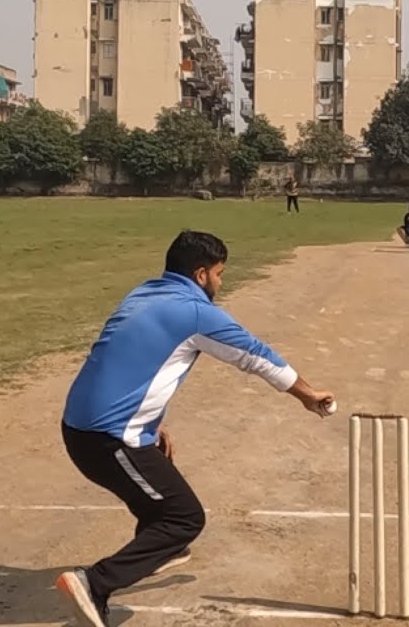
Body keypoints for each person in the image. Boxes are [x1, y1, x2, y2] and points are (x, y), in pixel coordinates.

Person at [55, 230, 336, 627]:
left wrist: (152, 425)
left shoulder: (143, 294)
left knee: (162, 499)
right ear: (201, 274)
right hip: (106, 438)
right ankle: (94, 583)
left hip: (86, 427)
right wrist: (308, 394)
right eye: (220, 274)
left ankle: (160, 550)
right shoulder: (195, 311)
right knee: (185, 519)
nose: (221, 283)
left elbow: (131, 364)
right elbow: (256, 356)